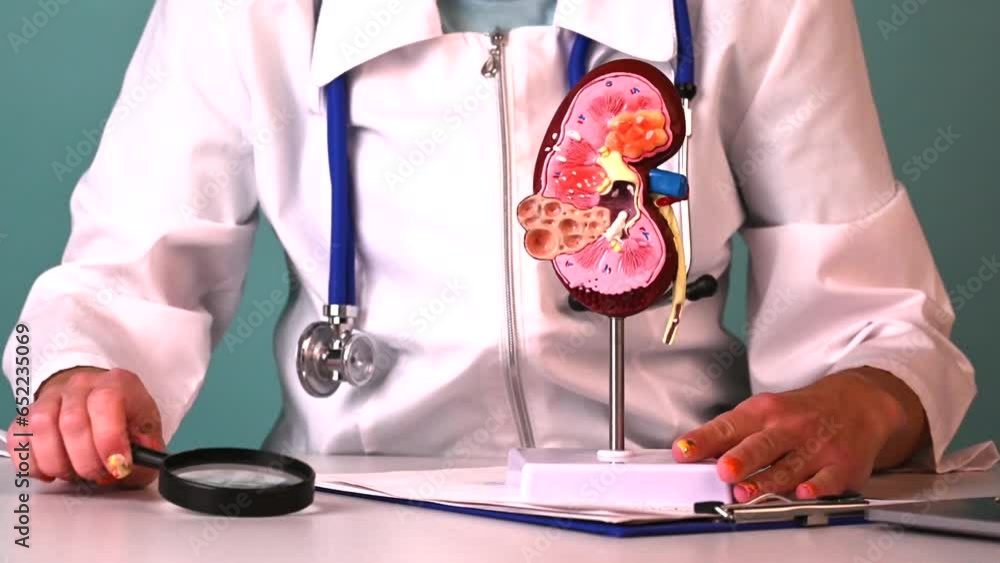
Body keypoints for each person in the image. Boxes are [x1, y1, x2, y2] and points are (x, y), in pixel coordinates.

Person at [1, 0, 976, 502]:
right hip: (340, 523)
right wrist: (87, 373)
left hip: (681, 513)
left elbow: (879, 325)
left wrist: (871, 399)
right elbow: (117, 274)